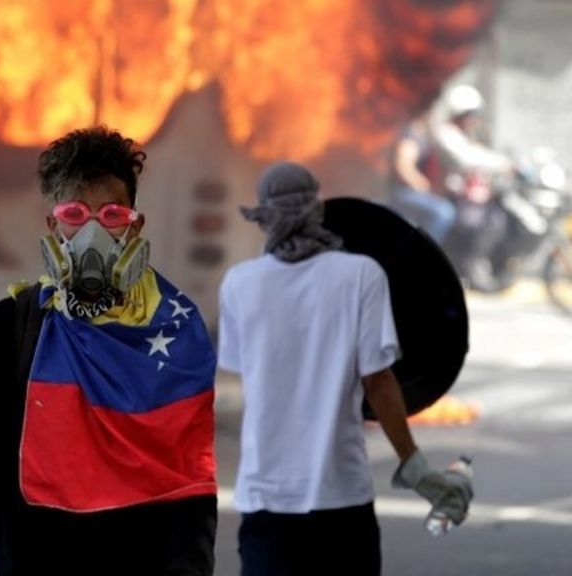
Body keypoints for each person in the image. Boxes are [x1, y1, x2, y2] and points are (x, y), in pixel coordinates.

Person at [0, 127, 218, 576]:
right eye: (75, 213)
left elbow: (190, 485)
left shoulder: (178, 329)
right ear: (52, 224)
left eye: (112, 213)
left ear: (135, 223)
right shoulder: (10, 325)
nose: (92, 231)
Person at [218, 161, 473, 575]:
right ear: (317, 209)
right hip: (341, 495)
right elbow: (378, 381)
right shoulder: (360, 274)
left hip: (265, 497)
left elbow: (247, 370)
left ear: (264, 217)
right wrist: (415, 466)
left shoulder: (239, 283)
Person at [434, 84, 514, 289]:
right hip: (451, 196)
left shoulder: (462, 135)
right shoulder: (447, 134)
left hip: (464, 195)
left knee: (496, 215)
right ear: (460, 113)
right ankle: (475, 265)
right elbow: (467, 159)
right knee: (493, 221)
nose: (474, 120)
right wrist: (502, 164)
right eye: (471, 114)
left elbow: (479, 154)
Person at [388, 114, 455, 243]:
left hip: (406, 192)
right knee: (443, 212)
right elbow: (404, 166)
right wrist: (424, 186)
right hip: (401, 193)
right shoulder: (412, 136)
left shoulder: (422, 135)